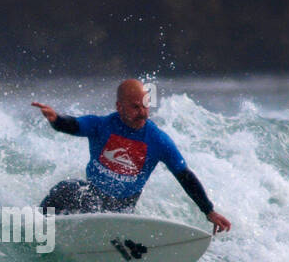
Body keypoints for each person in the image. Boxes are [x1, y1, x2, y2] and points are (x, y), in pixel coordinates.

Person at [32, 79, 232, 233]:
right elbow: (74, 125)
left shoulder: (158, 140)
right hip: (92, 195)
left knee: (84, 200)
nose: (143, 113)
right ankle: (37, 229)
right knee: (66, 189)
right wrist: (56, 119)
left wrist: (209, 211)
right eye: (135, 107)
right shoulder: (101, 126)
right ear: (119, 107)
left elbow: (184, 175)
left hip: (122, 206)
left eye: (145, 106)